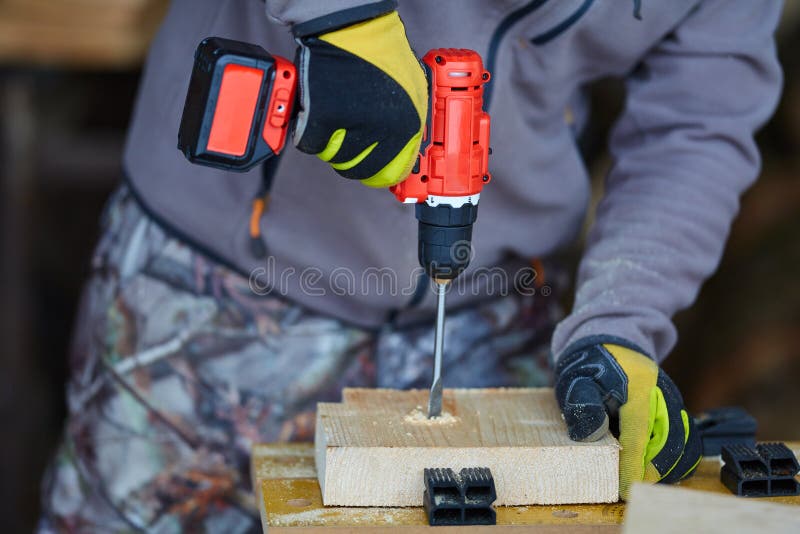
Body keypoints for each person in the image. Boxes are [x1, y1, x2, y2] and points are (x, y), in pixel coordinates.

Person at [39, 0, 782, 531]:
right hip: (216, 284)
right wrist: (341, 17)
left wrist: (622, 324)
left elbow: (699, 125)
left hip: (500, 296)